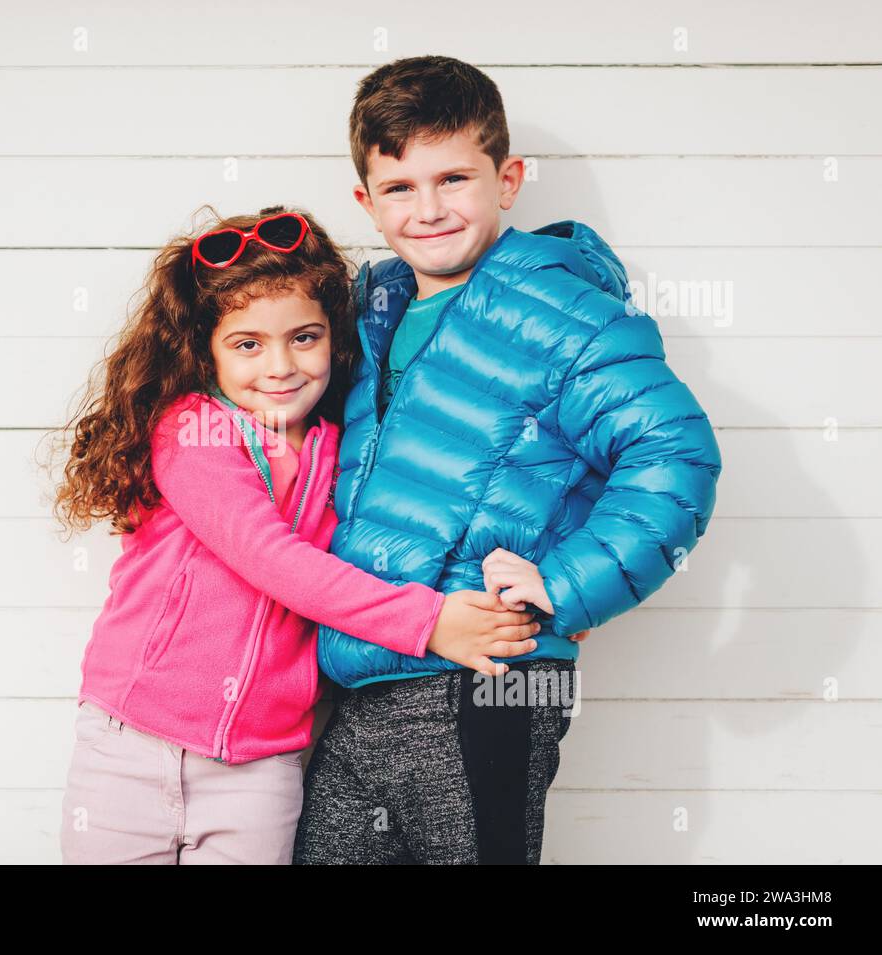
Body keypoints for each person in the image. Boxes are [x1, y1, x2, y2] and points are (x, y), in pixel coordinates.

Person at [292, 55, 722, 865]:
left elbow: (674, 452)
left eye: (454, 178)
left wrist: (564, 585)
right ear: (366, 201)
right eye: (400, 187)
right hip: (359, 678)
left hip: (486, 680)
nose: (429, 209)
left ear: (509, 178)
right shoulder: (369, 311)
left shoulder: (565, 310)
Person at [47, 204, 543, 863]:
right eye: (247, 343)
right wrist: (427, 621)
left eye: (303, 337)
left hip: (261, 767)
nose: (279, 365)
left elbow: (446, 500)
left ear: (332, 339)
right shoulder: (193, 430)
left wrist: (556, 580)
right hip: (130, 745)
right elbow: (272, 558)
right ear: (205, 349)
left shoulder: (343, 449)